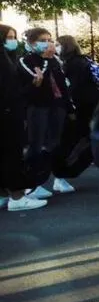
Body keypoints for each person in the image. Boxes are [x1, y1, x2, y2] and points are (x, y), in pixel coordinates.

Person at [18, 28, 73, 199]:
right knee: (37, 144)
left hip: (57, 105)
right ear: (32, 43)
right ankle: (30, 184)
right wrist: (46, 60)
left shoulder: (56, 60)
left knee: (54, 143)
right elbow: (36, 79)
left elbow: (62, 84)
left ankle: (50, 177)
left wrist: (69, 107)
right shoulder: (26, 60)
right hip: (38, 106)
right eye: (43, 40)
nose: (48, 43)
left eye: (50, 39)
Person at [0, 24, 46, 212]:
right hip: (8, 114)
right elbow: (11, 91)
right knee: (12, 155)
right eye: (9, 37)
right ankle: (17, 197)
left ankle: (4, 194)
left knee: (4, 156)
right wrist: (33, 85)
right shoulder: (4, 61)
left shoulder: (7, 58)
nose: (13, 41)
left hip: (7, 112)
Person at [54, 35, 99, 192]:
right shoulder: (82, 61)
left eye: (57, 44)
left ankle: (62, 173)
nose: (54, 47)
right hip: (88, 107)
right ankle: (62, 173)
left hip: (79, 109)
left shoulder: (72, 64)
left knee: (69, 142)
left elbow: (73, 89)